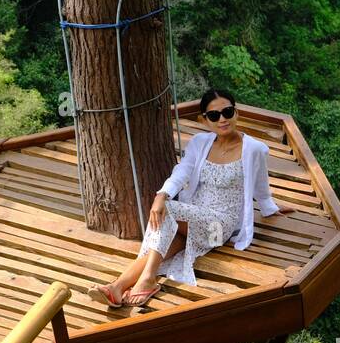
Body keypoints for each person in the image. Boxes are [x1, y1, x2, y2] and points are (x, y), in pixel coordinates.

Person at [89, 87, 294, 308]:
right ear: (205, 120)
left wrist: (269, 207)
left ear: (236, 113)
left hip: (219, 227)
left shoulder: (255, 149)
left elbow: (261, 186)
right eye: (214, 115)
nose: (222, 119)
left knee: (169, 209)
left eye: (227, 112)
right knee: (170, 240)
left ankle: (147, 280)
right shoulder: (200, 142)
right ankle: (117, 287)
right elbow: (182, 171)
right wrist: (162, 193)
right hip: (192, 218)